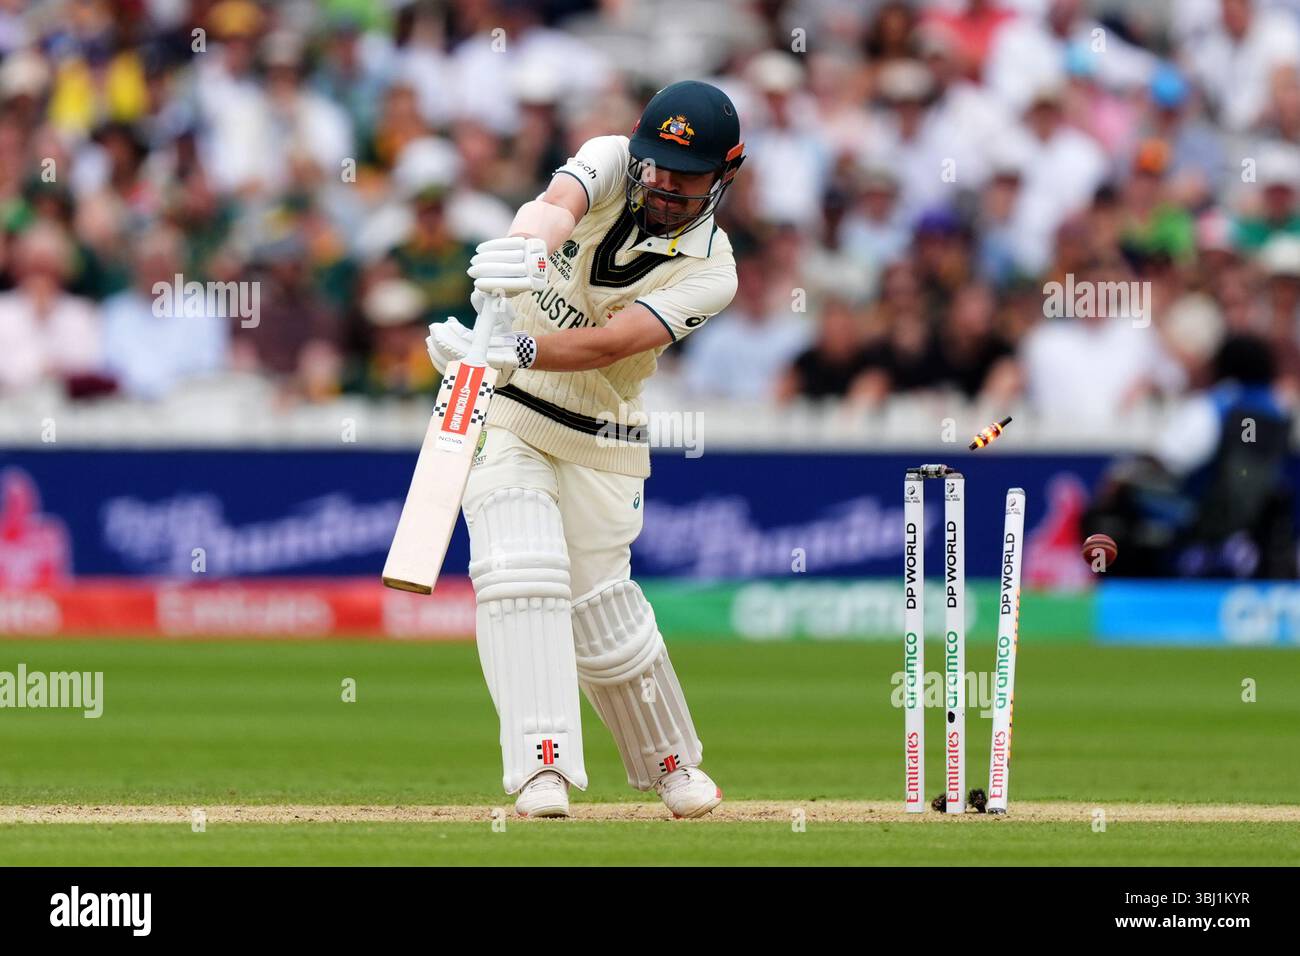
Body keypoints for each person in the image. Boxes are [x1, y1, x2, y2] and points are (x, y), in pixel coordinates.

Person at [425, 81, 745, 818]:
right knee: (518, 569)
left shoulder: (714, 271)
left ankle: (671, 765)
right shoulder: (607, 159)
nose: (665, 186)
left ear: (725, 175)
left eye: (686, 175)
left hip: (602, 432)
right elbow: (552, 209)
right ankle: (543, 769)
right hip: (507, 411)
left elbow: (612, 343)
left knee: (603, 614)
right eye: (657, 166)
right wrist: (519, 258)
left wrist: (513, 347)